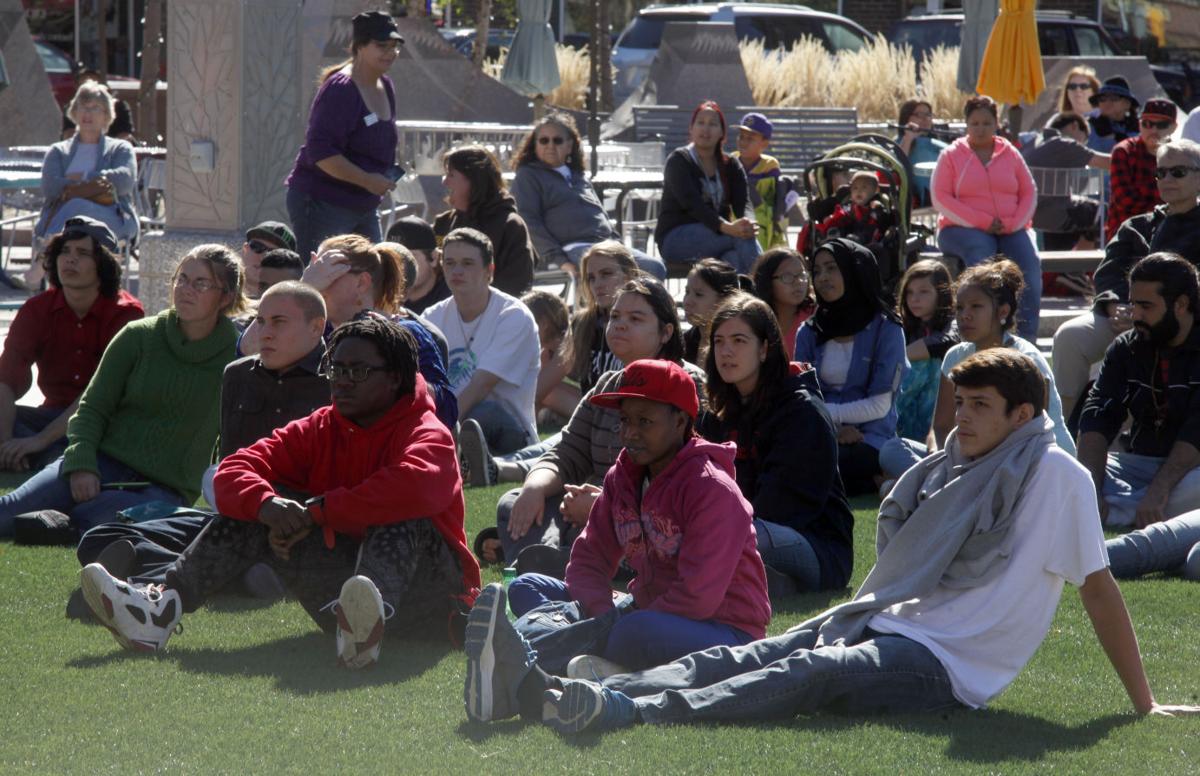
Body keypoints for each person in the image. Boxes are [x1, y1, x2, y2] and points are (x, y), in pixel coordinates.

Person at [495, 348, 1200, 734]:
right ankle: (585, 691)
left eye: (981, 407)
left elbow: (1098, 589)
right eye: (961, 404)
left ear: (1024, 415)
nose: (962, 420)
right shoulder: (958, 467)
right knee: (763, 652)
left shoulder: (1056, 476)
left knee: (807, 673)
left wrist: (1142, 703)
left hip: (950, 667)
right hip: (888, 619)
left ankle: (629, 706)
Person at [80, 317, 481, 664]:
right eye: (336, 369)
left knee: (401, 512)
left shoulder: (427, 430)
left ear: (394, 378)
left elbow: (415, 486)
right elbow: (232, 469)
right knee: (261, 503)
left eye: (358, 371)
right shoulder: (320, 426)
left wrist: (316, 513)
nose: (342, 381)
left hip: (431, 606)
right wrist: (269, 505)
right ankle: (160, 610)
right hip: (341, 602)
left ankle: (367, 627)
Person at [463, 357, 770, 714]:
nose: (630, 432)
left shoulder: (711, 489)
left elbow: (697, 598)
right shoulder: (622, 476)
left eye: (645, 421)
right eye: (625, 420)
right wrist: (601, 612)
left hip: (724, 629)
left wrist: (609, 622)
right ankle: (593, 668)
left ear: (680, 421)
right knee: (526, 586)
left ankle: (518, 667)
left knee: (631, 633)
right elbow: (587, 562)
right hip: (641, 609)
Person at [70, 281, 331, 606]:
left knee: (250, 554)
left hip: (297, 527)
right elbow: (230, 468)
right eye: (260, 321)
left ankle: (142, 584)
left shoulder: (338, 384)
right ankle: (239, 578)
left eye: (278, 322)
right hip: (239, 515)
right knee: (101, 537)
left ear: (316, 326)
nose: (264, 333)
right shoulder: (238, 375)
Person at [0, 244, 245, 540]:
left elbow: (241, 441)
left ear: (226, 297)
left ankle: (63, 523)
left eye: (201, 283)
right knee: (9, 512)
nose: (185, 290)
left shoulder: (238, 360)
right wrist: (82, 464)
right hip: (102, 461)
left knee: (97, 521)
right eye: (181, 279)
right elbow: (92, 407)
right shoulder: (138, 336)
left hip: (164, 489)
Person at [490, 279, 703, 572]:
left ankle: (552, 558)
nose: (620, 325)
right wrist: (534, 487)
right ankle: (554, 558)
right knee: (514, 502)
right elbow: (567, 452)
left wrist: (604, 505)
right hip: (593, 504)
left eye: (635, 319)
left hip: (646, 511)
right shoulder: (607, 384)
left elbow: (680, 480)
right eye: (615, 316)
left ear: (666, 332)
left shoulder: (687, 385)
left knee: (629, 527)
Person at [455, 242, 645, 490]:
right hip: (593, 419)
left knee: (561, 452)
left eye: (606, 274)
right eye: (591, 277)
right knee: (552, 446)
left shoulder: (644, 320)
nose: (598, 284)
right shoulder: (585, 323)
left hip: (626, 425)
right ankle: (486, 465)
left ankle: (497, 469)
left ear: (629, 275)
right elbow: (545, 384)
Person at [698, 294, 853, 596]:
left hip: (813, 546)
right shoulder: (717, 412)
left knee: (734, 535)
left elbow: (781, 507)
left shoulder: (801, 411)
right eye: (719, 341)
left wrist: (709, 525)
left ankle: (731, 579)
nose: (726, 351)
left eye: (739, 341)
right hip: (740, 529)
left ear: (764, 348)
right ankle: (758, 583)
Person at [879, 258, 1074, 481]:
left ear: (1003, 311)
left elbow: (1032, 436)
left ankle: (933, 487)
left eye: (976, 306)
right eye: (960, 307)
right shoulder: (955, 356)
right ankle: (942, 484)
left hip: (1029, 461)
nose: (965, 315)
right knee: (892, 449)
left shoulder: (1027, 360)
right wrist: (940, 458)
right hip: (968, 456)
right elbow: (941, 427)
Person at [1052, 139, 1200, 421]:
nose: (1168, 179)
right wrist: (1116, 306)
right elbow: (1109, 272)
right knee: (1070, 336)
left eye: (1178, 172)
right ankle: (1063, 427)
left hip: (1182, 324)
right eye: (1161, 172)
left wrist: (1148, 312)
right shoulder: (1137, 226)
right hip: (1123, 316)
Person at [0, 217, 142, 475]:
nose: (70, 259)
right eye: (64, 251)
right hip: (50, 418)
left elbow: (100, 395)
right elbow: (6, 380)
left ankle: (52, 459)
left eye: (82, 253)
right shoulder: (37, 309)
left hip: (104, 425)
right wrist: (5, 443)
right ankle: (42, 458)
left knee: (94, 448)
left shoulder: (127, 315)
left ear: (103, 264)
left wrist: (39, 441)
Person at [281, 233, 456, 429]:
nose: (317, 281)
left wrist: (391, 353)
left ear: (361, 282)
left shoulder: (408, 332)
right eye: (313, 270)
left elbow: (446, 410)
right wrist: (305, 288)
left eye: (327, 270)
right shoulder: (316, 330)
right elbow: (258, 349)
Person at [1077, 253, 1200, 529]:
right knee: (1072, 473)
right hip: (1139, 463)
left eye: (1146, 306)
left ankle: (1116, 512)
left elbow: (1197, 431)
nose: (1135, 315)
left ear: (1181, 304)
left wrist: (1159, 490)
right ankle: (1140, 512)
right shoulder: (1126, 347)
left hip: (1192, 468)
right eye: (1132, 304)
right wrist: (1090, 486)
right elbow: (1098, 414)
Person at [284, 11, 403, 262]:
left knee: (375, 275)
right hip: (323, 202)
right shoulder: (341, 89)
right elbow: (321, 152)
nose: (390, 52)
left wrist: (383, 176)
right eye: (382, 45)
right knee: (323, 277)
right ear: (359, 46)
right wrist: (367, 180)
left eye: (394, 46)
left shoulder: (387, 85)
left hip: (365, 204)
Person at [795, 239, 907, 496]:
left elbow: (880, 405)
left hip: (871, 437)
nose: (822, 277)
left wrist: (829, 417)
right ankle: (876, 483)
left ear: (855, 271)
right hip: (821, 432)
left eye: (832, 268)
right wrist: (835, 430)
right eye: (817, 271)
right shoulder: (809, 331)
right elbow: (803, 398)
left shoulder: (887, 329)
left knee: (833, 464)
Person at [932, 95, 1041, 341]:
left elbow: (1029, 191)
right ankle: (983, 336)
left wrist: (1013, 223)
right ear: (966, 124)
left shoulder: (1010, 153)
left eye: (986, 123)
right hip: (959, 228)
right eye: (974, 123)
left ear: (996, 123)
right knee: (983, 256)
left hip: (1010, 227)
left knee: (1029, 264)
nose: (980, 129)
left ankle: (1026, 341)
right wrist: (982, 222)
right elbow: (940, 198)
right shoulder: (951, 155)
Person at [509, 113, 665, 280]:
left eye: (557, 140)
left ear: (569, 145)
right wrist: (559, 259)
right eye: (544, 140)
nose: (550, 145)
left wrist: (616, 243)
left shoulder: (578, 176)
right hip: (573, 249)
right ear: (535, 145)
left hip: (607, 246)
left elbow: (600, 213)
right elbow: (528, 221)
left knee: (654, 268)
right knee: (612, 273)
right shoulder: (528, 176)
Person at [424, 228, 540, 453]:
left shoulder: (514, 315)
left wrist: (438, 431)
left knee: (480, 415)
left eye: (467, 263)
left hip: (509, 435)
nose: (457, 271)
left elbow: (481, 386)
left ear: (490, 270)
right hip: (450, 423)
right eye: (450, 263)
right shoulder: (432, 316)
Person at [33, 82, 138, 274]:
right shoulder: (58, 151)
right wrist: (93, 184)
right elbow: (50, 187)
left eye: (95, 107)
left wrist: (80, 179)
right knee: (76, 211)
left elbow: (125, 181)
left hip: (113, 217)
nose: (87, 113)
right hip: (65, 220)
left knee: (76, 205)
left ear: (106, 114)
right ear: (74, 111)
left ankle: (44, 257)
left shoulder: (120, 148)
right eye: (83, 106)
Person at [655, 101, 761, 273]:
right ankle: (766, 286)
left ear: (721, 132)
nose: (706, 129)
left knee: (733, 259)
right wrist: (728, 228)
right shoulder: (679, 160)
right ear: (691, 129)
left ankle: (743, 290)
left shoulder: (731, 164)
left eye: (712, 124)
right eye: (701, 122)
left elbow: (744, 203)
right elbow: (693, 205)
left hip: (720, 235)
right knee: (739, 238)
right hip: (675, 239)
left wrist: (748, 222)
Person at [434, 145, 536, 297]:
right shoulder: (444, 223)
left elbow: (517, 285)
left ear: (474, 180)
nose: (445, 182)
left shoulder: (510, 226)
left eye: (451, 175)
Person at [1020, 112, 1110, 251]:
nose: (1083, 144)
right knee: (1101, 210)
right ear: (1074, 126)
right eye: (1085, 139)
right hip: (1054, 216)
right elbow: (1108, 163)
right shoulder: (1065, 144)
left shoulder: (1031, 144)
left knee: (1070, 206)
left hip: (1028, 213)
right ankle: (1080, 262)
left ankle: (1060, 260)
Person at [892, 260, 958, 444]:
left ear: (941, 293)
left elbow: (947, 342)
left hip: (938, 407)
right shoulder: (901, 324)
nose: (914, 299)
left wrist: (902, 355)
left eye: (923, 291)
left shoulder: (954, 321)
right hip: (904, 407)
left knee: (927, 362)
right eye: (910, 292)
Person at [1105, 99, 1177, 242]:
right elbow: (1124, 201)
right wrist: (1166, 204)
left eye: (1162, 125)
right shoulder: (1123, 151)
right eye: (1147, 124)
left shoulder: (1181, 156)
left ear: (1174, 127)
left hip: (1170, 231)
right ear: (1139, 124)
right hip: (1126, 235)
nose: (1153, 130)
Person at [731, 112, 793, 250]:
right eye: (741, 136)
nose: (743, 142)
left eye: (750, 138)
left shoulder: (769, 165)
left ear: (764, 143)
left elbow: (772, 199)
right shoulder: (731, 161)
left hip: (760, 219)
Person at [521, 290, 579, 421]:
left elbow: (534, 394)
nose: (520, 329)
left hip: (602, 407)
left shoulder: (567, 344)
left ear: (543, 324)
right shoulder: (547, 351)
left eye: (525, 322)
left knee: (546, 391)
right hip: (588, 399)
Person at [681, 258, 752, 364]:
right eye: (687, 292)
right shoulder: (683, 343)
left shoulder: (741, 343)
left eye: (699, 294)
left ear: (724, 300)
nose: (687, 301)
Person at [750, 247, 814, 360]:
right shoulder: (754, 320)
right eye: (787, 276)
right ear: (767, 281)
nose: (799, 282)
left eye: (802, 275)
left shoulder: (814, 316)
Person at [386, 215, 449, 314]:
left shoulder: (453, 300)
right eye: (393, 258)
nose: (399, 266)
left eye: (409, 257)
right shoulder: (382, 294)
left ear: (434, 258)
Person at [895, 98, 949, 207]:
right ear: (906, 118)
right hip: (918, 202)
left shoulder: (937, 142)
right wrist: (909, 138)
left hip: (944, 198)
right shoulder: (901, 141)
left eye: (928, 115)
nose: (925, 119)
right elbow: (896, 167)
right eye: (919, 115)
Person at [61, 69, 134, 142]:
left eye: (95, 109)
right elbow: (68, 135)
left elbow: (126, 135)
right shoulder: (71, 107)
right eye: (83, 108)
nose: (88, 113)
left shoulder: (119, 106)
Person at [242, 221, 297, 297]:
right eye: (257, 246)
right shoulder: (225, 285)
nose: (263, 257)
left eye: (275, 254)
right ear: (245, 249)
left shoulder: (293, 301)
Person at [1087, 76, 1140, 154]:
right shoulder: (1087, 128)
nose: (1107, 102)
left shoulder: (1142, 129)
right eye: (1102, 98)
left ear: (1127, 104)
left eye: (1114, 98)